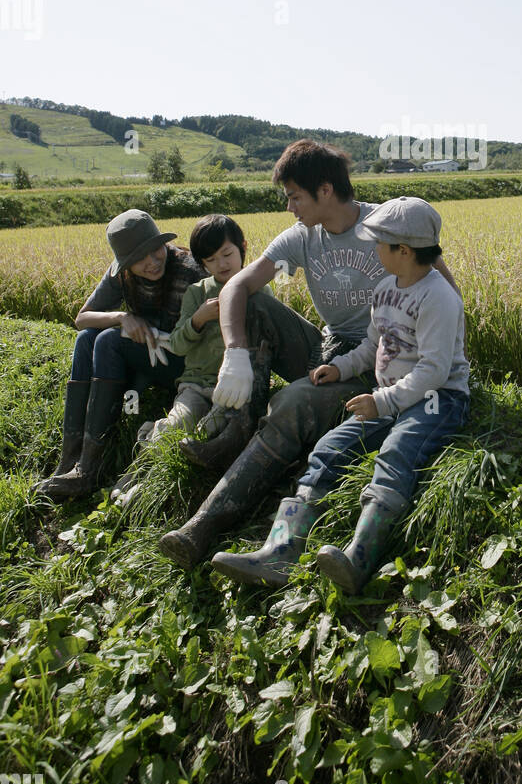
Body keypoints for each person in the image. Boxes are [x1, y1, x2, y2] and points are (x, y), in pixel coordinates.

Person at [159, 142, 461, 569]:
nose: (289, 207)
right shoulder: (302, 237)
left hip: (382, 366)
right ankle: (236, 427)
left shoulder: (390, 230)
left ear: (324, 190)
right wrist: (235, 354)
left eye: (294, 196)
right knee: (255, 300)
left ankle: (219, 527)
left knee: (294, 403)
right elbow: (236, 287)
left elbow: (445, 293)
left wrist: (418, 368)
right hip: (335, 352)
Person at [210, 195, 470, 592]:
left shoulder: (437, 297)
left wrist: (382, 402)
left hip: (437, 399)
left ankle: (359, 557)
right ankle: (281, 549)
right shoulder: (385, 288)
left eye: (378, 244)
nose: (373, 250)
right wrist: (341, 368)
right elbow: (371, 346)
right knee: (329, 448)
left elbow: (434, 371)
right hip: (390, 396)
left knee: (397, 450)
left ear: (402, 250)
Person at [37, 209, 205, 501]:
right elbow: (83, 318)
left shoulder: (189, 271)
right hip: (144, 356)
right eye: (140, 259)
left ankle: (89, 469)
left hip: (181, 361)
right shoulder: (122, 274)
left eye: (156, 251)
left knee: (107, 342)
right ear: (126, 262)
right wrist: (121, 316)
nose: (152, 262)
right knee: (87, 338)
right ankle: (70, 457)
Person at [109, 213, 274, 506]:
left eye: (227, 254)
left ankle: (161, 478)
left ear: (242, 248)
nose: (222, 264)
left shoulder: (260, 292)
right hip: (196, 385)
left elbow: (270, 343)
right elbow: (177, 345)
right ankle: (134, 478)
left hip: (237, 388)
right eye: (211, 260)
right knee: (177, 425)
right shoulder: (197, 294)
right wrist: (198, 320)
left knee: (205, 431)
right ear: (202, 264)